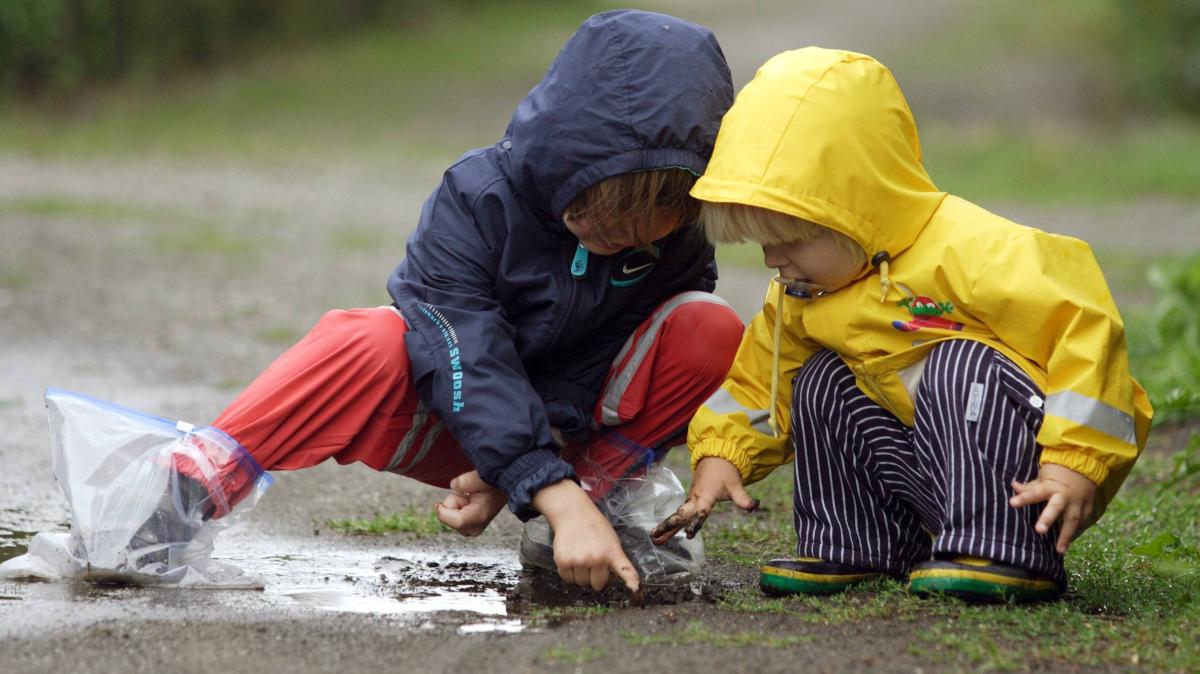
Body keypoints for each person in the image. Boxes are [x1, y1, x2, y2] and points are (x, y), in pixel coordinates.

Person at [140, 10, 742, 592]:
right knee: (363, 339)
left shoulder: (676, 243)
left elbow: (610, 362)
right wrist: (536, 482)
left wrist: (534, 479)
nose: (634, 232)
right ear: (565, 152)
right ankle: (175, 497)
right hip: (457, 412)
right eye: (610, 204)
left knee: (707, 327)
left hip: (554, 440)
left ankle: (599, 511)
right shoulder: (476, 199)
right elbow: (467, 355)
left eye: (666, 210)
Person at [650, 47, 1153, 603]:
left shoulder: (971, 250)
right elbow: (757, 385)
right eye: (762, 242)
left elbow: (1085, 328)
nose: (772, 259)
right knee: (819, 378)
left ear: (854, 214)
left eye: (789, 240)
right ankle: (860, 542)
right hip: (934, 470)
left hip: (1030, 478)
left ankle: (1000, 548)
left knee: (956, 365)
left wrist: (1075, 465)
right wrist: (721, 455)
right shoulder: (802, 291)